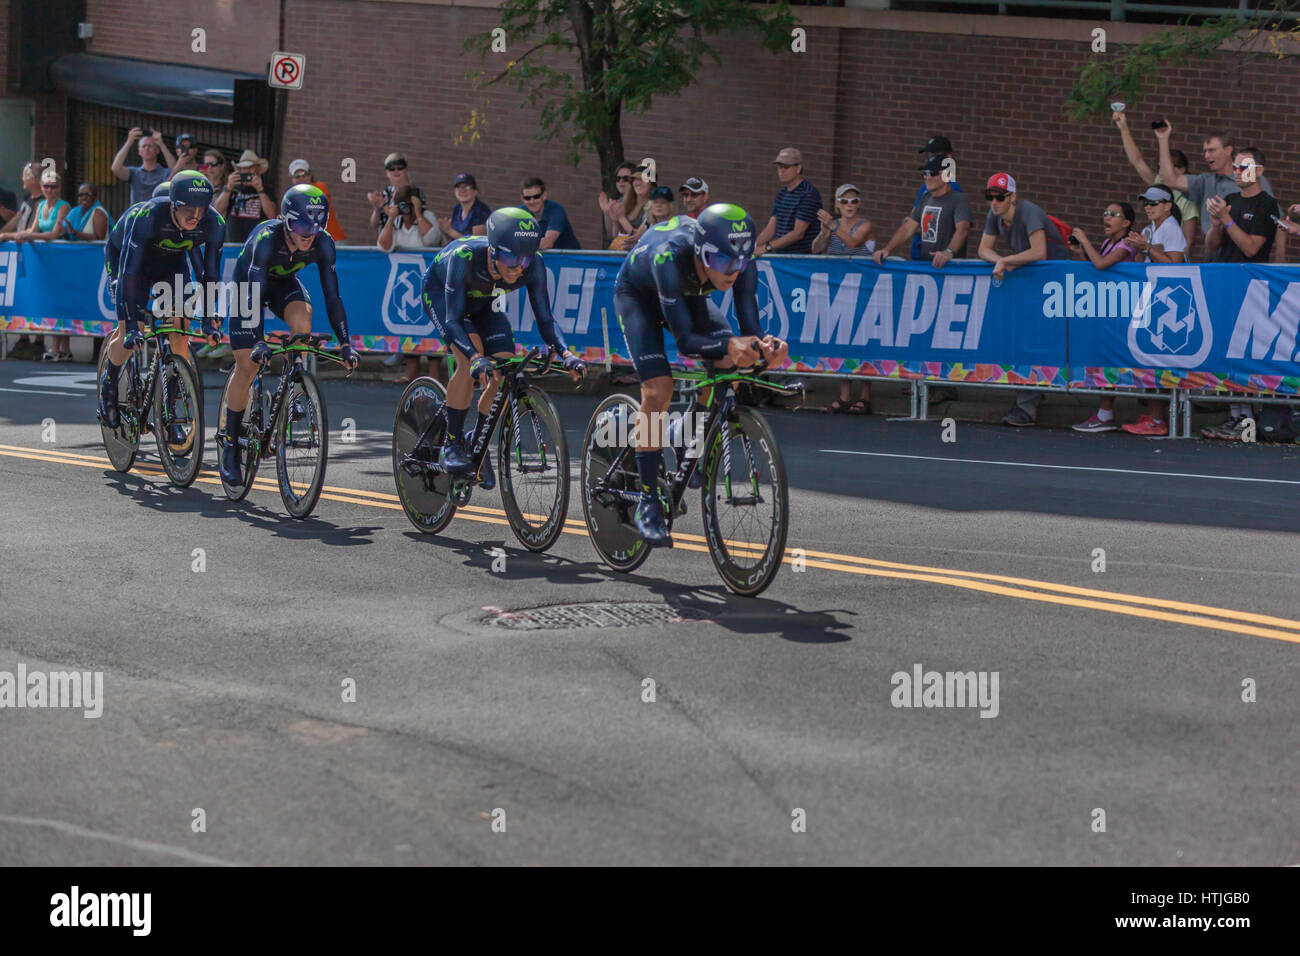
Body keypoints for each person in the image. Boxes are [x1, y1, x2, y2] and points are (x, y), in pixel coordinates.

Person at [612, 204, 789, 545]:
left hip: (687, 293)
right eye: (723, 261)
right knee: (658, 389)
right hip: (639, 295)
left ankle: (684, 433)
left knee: (735, 362)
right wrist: (729, 348)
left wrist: (765, 350)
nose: (733, 271)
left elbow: (751, 331)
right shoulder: (670, 258)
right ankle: (648, 500)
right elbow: (685, 341)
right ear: (701, 252)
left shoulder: (738, 262)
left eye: (739, 262)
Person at [419, 208, 586, 488]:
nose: (518, 266)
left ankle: (477, 442)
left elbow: (546, 319)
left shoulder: (532, 266)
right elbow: (453, 320)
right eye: (510, 257)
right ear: (493, 250)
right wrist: (475, 358)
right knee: (470, 357)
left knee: (505, 368)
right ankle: (452, 444)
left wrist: (566, 353)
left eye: (525, 258)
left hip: (484, 303)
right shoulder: (465, 258)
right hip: (442, 297)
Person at [218, 185, 360, 485]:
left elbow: (333, 298)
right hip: (249, 287)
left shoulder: (323, 243)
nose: (308, 233)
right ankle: (230, 445)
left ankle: (295, 388)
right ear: (284, 219)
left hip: (284, 284)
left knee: (302, 323)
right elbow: (253, 295)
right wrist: (257, 340)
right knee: (248, 366)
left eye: (316, 224)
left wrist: (346, 344)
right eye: (300, 224)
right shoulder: (267, 240)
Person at [97, 171, 226, 442]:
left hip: (170, 264)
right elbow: (130, 273)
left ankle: (169, 411)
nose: (194, 216)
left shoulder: (214, 222)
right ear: (172, 205)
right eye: (187, 210)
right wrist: (132, 324)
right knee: (130, 332)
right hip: (130, 263)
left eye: (200, 210)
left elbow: (210, 274)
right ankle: (108, 386)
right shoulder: (148, 216)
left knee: (180, 332)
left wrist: (208, 317)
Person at [1070, 201, 1172, 437]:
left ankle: (1152, 417)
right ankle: (1105, 414)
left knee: (1135, 361)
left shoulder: (1127, 244)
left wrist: (1085, 241)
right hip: (1111, 308)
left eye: (1114, 214)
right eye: (1105, 213)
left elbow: (1102, 263)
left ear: (1126, 223)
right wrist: (1081, 253)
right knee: (1108, 360)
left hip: (1128, 310)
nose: (1107, 217)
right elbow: (1097, 267)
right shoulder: (1108, 242)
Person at [977, 172, 1071, 427]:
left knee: (1053, 339)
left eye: (999, 197)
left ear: (1013, 197)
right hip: (1036, 283)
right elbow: (982, 249)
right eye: (990, 196)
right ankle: (1028, 402)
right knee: (1029, 338)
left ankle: (1035, 398)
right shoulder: (994, 216)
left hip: (1059, 282)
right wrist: (1000, 260)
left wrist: (1005, 260)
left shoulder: (1029, 212)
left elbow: (1039, 252)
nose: (994, 202)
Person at [1154, 121, 1273, 257]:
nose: (1206, 156)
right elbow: (1169, 180)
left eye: (1211, 150)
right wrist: (1163, 140)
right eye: (1205, 151)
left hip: (1245, 259)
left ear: (1228, 150)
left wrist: (1280, 256)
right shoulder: (1204, 181)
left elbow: (1275, 217)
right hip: (1213, 258)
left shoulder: (1252, 178)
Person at [1111, 110, 1199, 253]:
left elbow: (1188, 240)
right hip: (1154, 254)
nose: (1162, 171)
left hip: (1172, 257)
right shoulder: (1158, 184)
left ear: (1182, 170)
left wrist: (1180, 267)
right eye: (1159, 167)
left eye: (1168, 167)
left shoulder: (1187, 199)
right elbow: (1137, 160)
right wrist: (1123, 127)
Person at [755, 147, 821, 255]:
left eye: (786, 166)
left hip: (802, 261)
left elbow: (798, 233)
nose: (781, 170)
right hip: (783, 259)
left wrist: (766, 247)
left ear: (798, 168)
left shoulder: (809, 194)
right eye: (779, 166)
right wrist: (752, 247)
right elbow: (770, 229)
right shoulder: (782, 193)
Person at [214, 150, 276, 245]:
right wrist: (228, 187)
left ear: (258, 169)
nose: (246, 172)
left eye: (250, 168)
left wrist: (260, 190)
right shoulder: (233, 188)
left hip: (256, 245)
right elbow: (217, 210)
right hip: (233, 245)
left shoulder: (266, 189)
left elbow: (272, 215)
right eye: (242, 169)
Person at [110, 127, 175, 204]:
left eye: (150, 146)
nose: (147, 148)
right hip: (137, 214)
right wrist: (129, 141)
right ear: (139, 152)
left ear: (157, 150)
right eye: (143, 146)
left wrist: (161, 144)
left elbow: (175, 170)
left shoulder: (164, 172)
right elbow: (115, 168)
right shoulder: (134, 172)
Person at [369, 152, 427, 233]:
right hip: (386, 242)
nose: (396, 171)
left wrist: (383, 205)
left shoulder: (414, 192)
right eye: (391, 169)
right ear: (387, 173)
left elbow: (409, 219)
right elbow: (374, 225)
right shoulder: (386, 192)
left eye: (400, 168)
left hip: (407, 242)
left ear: (406, 170)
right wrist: (376, 208)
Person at [288, 159, 345, 240]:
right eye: (297, 176)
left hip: (332, 238)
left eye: (304, 175)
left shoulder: (320, 187)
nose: (301, 178)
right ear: (292, 178)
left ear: (310, 175)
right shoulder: (292, 196)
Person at [813, 184, 875, 257]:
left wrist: (833, 226)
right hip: (834, 268)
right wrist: (824, 234)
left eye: (854, 201)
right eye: (844, 201)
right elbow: (815, 250)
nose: (849, 205)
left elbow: (852, 244)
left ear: (858, 204)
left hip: (857, 268)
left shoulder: (866, 225)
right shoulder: (833, 224)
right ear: (837, 204)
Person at [521, 177, 579, 250]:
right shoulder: (521, 212)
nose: (532, 201)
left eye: (536, 197)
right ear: (522, 198)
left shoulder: (556, 211)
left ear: (544, 195)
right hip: (541, 257)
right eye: (527, 198)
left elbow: (547, 243)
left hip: (567, 258)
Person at [438, 172, 491, 243]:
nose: (462, 190)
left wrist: (449, 230)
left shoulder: (482, 211)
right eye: (458, 187)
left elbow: (477, 242)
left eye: (466, 187)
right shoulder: (457, 209)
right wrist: (444, 230)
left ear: (475, 191)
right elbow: (451, 239)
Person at [611, 164, 654, 249]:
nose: (638, 182)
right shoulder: (625, 202)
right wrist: (615, 221)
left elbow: (640, 238)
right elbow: (614, 237)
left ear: (652, 183)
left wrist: (621, 218)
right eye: (635, 179)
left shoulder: (654, 206)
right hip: (619, 253)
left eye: (643, 179)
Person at [598, 162, 636, 240]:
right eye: (618, 178)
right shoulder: (618, 202)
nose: (621, 181)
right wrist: (607, 212)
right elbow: (612, 236)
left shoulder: (640, 201)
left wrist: (621, 218)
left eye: (626, 178)